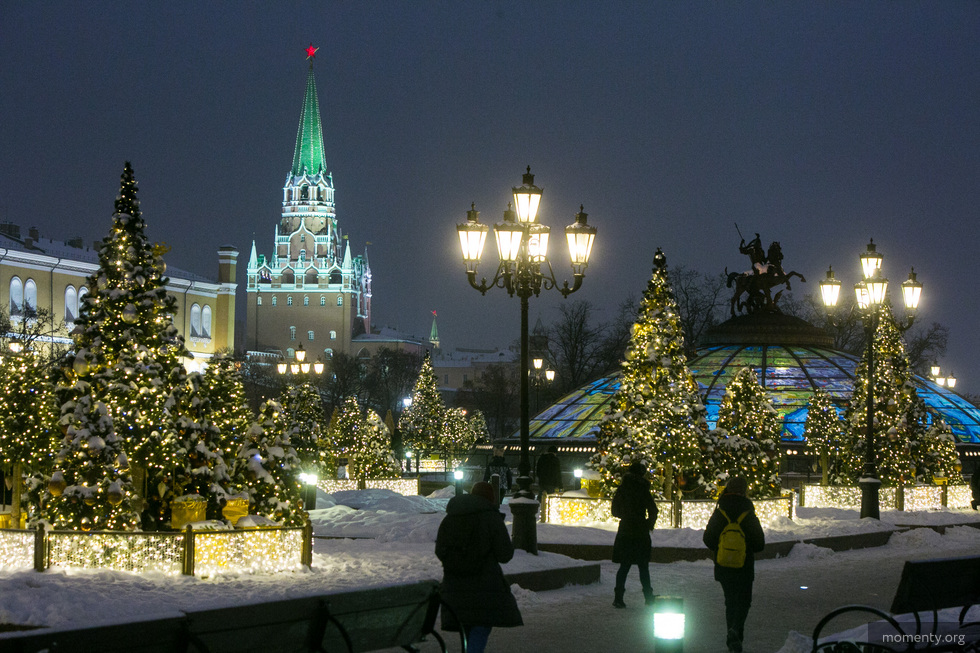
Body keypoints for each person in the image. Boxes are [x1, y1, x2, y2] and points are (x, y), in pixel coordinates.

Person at [435, 481, 523, 653]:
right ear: (490, 499)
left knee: (467, 628)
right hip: (485, 586)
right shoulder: (490, 517)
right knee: (481, 627)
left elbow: (440, 550)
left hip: (455, 585)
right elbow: (505, 555)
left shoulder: (450, 518)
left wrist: (456, 563)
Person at [703, 477, 766, 653]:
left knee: (730, 601)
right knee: (744, 600)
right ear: (744, 490)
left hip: (723, 564)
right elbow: (760, 544)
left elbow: (708, 538)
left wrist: (721, 547)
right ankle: (736, 632)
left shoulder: (720, 510)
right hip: (744, 565)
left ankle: (732, 637)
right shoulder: (748, 512)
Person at [611, 461, 659, 608]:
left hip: (625, 529)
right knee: (643, 566)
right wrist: (648, 524)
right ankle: (648, 597)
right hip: (640, 531)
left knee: (624, 566)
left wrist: (626, 516)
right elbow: (653, 510)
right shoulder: (643, 489)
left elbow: (615, 511)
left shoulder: (622, 489)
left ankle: (618, 598)